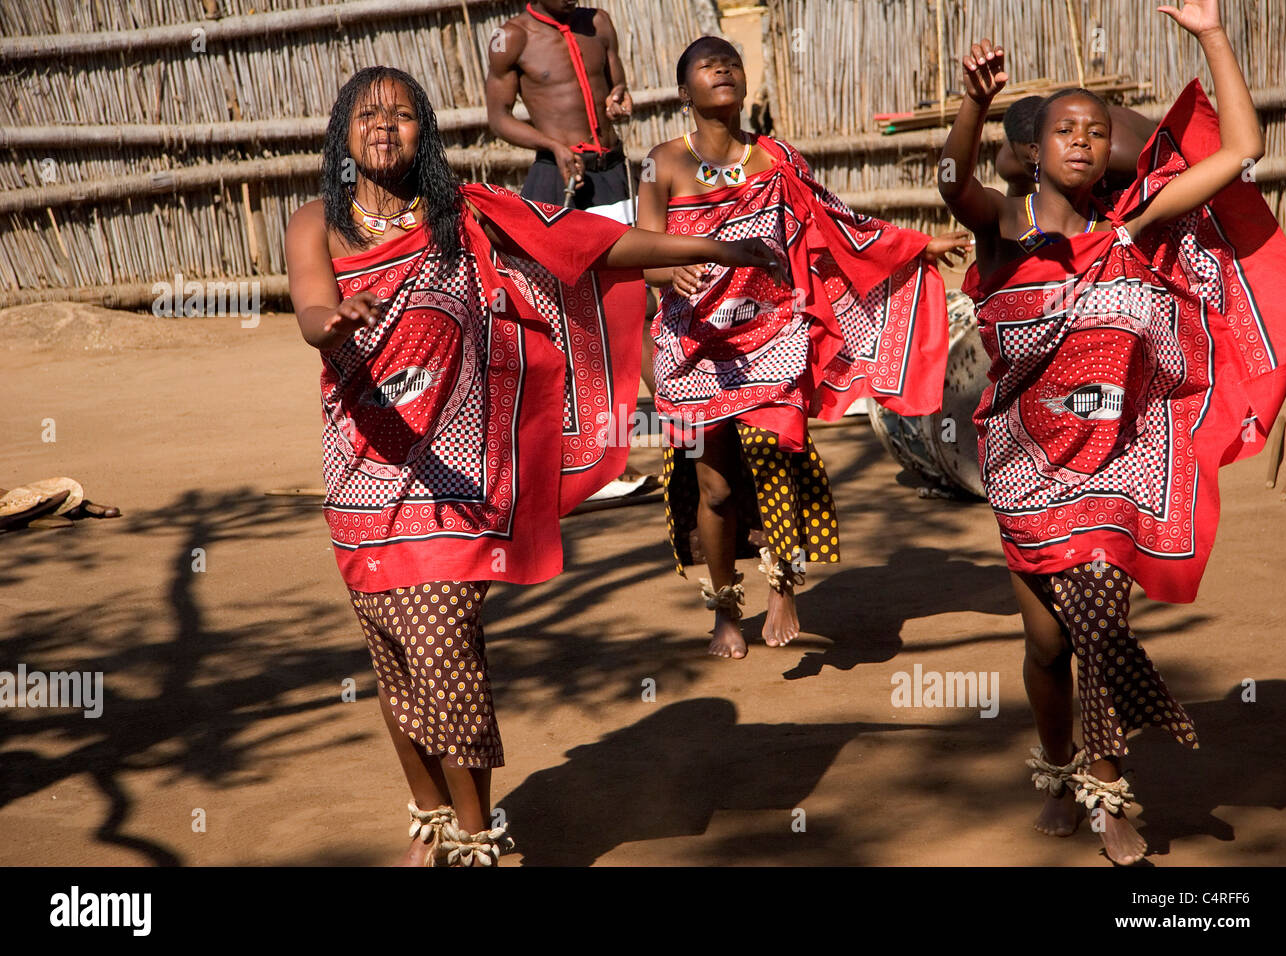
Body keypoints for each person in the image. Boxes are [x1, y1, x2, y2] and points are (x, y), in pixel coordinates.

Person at [285, 66, 784, 867]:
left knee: (445, 640)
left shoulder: (469, 215)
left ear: (427, 133)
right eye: (369, 113)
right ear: (343, 128)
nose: (385, 126)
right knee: (397, 659)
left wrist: (716, 242)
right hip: (360, 469)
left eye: (405, 115)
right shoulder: (315, 221)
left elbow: (596, 243)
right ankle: (431, 812)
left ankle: (478, 835)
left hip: (457, 476)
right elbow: (311, 306)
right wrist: (332, 320)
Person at [938, 0, 1286, 864]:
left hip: (1120, 462)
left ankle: (1108, 792)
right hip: (1025, 459)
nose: (1082, 143)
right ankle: (1059, 762)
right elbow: (953, 183)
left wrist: (1212, 34)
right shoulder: (1004, 234)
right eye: (1065, 130)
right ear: (1034, 149)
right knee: (1046, 642)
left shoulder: (1132, 232)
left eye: (1097, 133)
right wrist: (974, 106)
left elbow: (1243, 151)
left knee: (1097, 611)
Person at [639, 36, 969, 660]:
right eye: (708, 67)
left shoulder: (780, 158)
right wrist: (668, 274)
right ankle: (725, 610)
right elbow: (645, 253)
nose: (724, 71)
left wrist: (912, 245)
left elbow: (838, 223)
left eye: (731, 63)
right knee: (715, 490)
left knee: (774, 453)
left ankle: (783, 586)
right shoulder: (662, 163)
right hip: (693, 347)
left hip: (772, 333)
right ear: (684, 93)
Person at [485, 1, 658, 390]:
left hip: (611, 174)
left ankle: (676, 419)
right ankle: (564, 418)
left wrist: (620, 98)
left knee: (639, 300)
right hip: (557, 181)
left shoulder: (598, 23)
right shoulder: (510, 38)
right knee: (547, 305)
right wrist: (552, 145)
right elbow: (498, 117)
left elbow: (618, 87)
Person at [996, 94, 1157, 198]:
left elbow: (1171, 177)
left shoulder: (1115, 151)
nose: (1040, 165)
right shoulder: (1011, 164)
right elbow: (1020, 223)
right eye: (1032, 163)